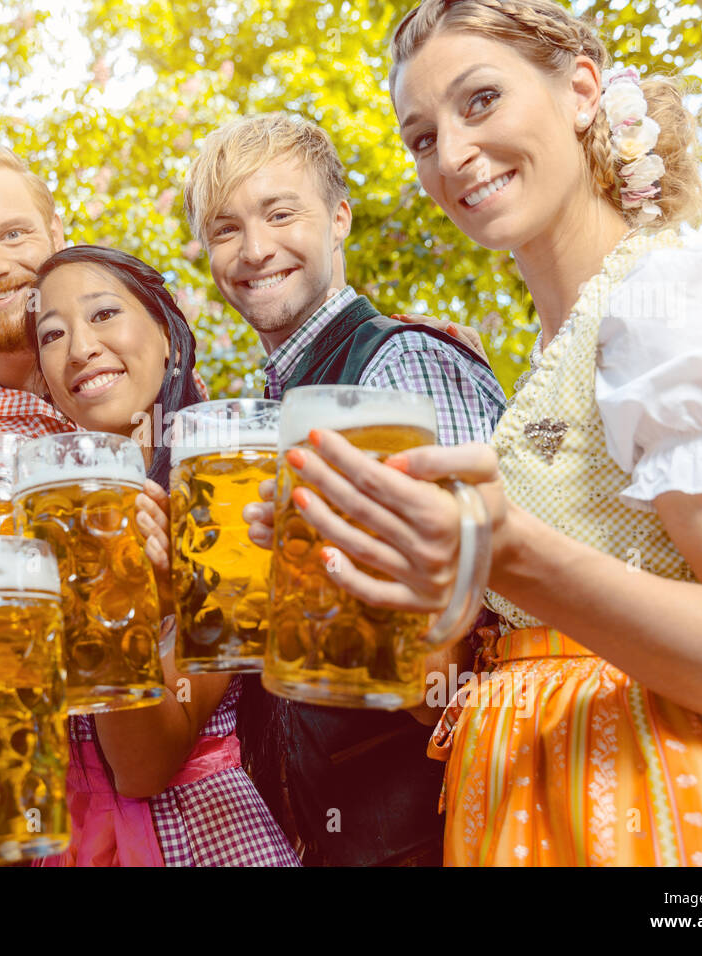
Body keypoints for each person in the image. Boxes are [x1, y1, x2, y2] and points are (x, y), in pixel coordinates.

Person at [274, 0, 702, 865]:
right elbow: (467, 691)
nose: (452, 155)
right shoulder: (549, 355)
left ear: (580, 91)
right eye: (421, 137)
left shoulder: (673, 302)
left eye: (481, 100)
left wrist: (510, 550)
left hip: (692, 840)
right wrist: (421, 606)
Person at [181, 111, 507, 865]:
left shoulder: (401, 367)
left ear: (339, 218)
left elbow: (483, 618)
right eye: (226, 229)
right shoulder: (275, 406)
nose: (255, 249)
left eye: (281, 213)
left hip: (425, 830)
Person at [22, 244, 299, 866]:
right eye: (52, 333)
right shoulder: (42, 512)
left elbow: (144, 767)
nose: (80, 348)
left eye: (103, 315)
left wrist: (133, 607)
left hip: (200, 838)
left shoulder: (222, 498)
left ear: (170, 338)